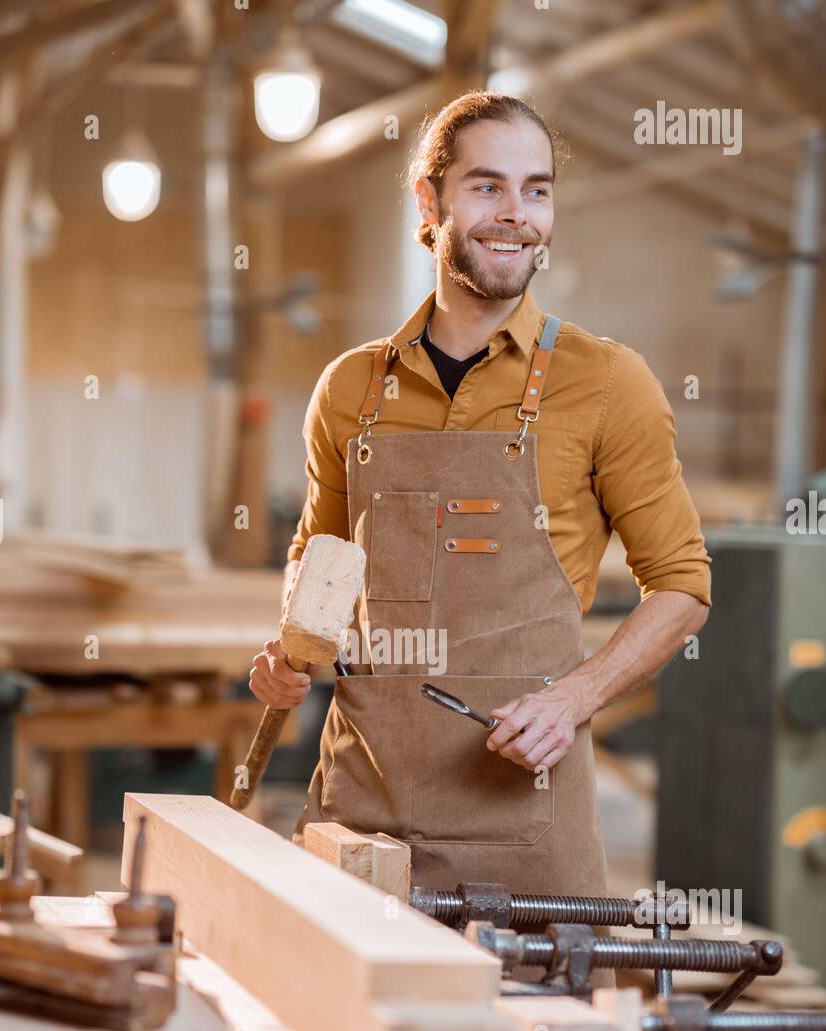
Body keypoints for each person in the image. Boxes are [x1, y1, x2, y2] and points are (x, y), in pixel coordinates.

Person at [249, 91, 710, 896]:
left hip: (522, 823)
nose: (516, 214)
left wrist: (572, 698)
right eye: (487, 186)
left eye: (536, 189)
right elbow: (319, 559)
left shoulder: (606, 383)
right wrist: (290, 651)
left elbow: (681, 586)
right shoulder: (350, 387)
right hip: (359, 812)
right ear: (429, 202)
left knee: (530, 1021)